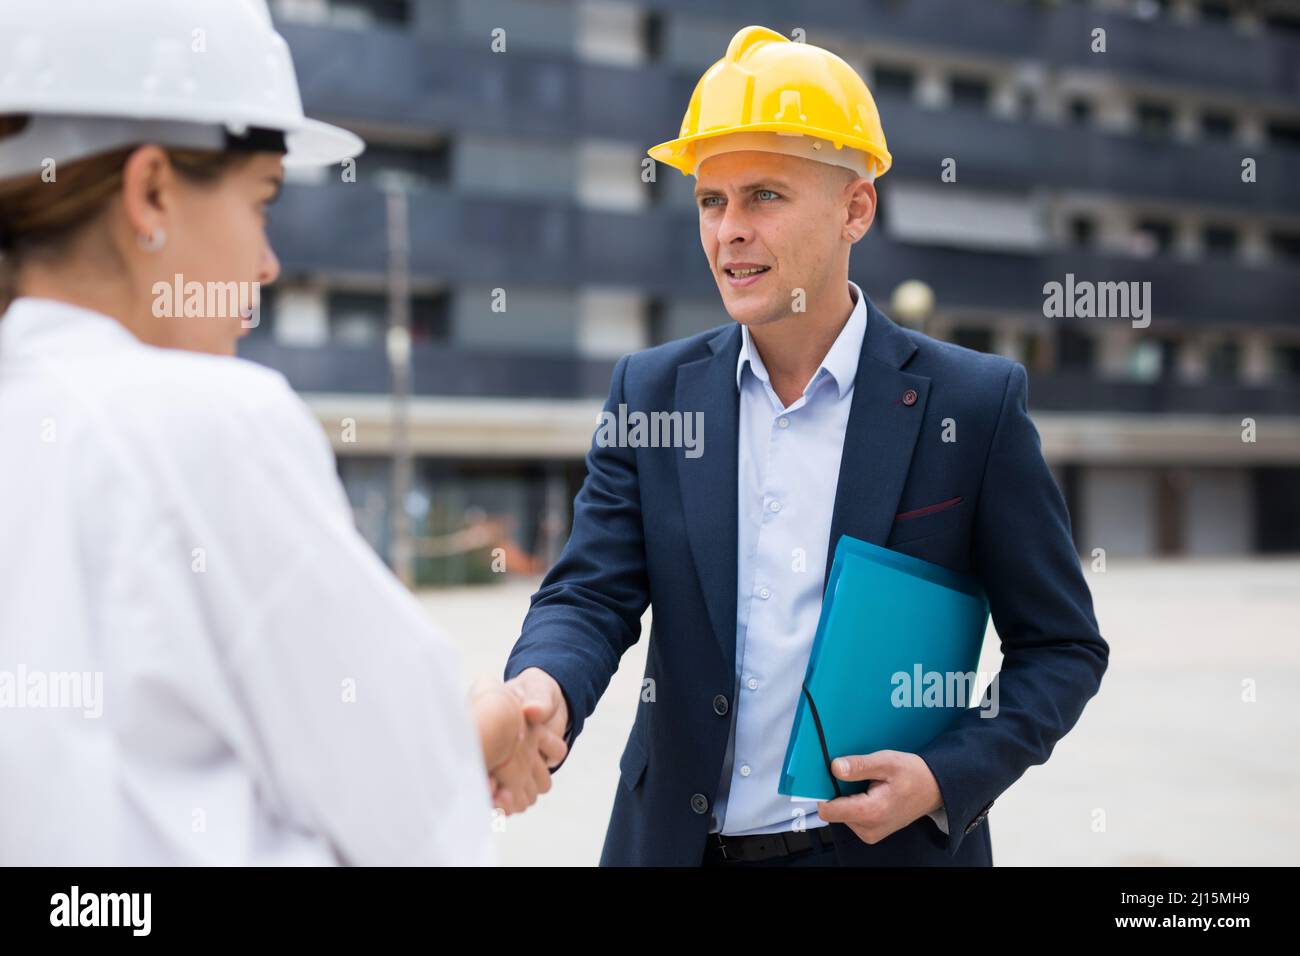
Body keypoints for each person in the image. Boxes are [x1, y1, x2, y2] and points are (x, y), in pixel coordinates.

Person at [501, 25, 1109, 866]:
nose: (729, 232)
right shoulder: (649, 393)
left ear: (855, 208)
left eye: (765, 197)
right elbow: (589, 596)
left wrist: (945, 774)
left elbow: (1061, 647)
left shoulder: (974, 405)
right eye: (712, 202)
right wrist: (542, 689)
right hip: (676, 847)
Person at [0, 0, 562, 865]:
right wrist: (482, 728)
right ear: (150, 190)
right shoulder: (211, 425)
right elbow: (405, 815)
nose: (267, 263)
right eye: (261, 201)